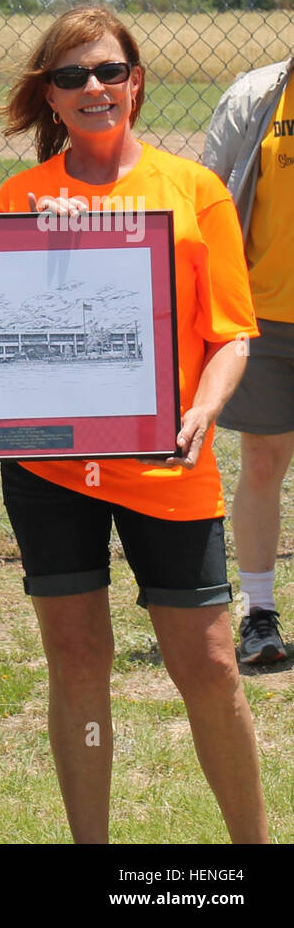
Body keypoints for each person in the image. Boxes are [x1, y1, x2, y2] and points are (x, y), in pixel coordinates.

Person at [0, 6, 267, 843]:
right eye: (72, 76)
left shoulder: (194, 190)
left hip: (167, 462)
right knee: (78, 666)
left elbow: (231, 334)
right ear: (50, 95)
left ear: (136, 82)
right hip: (51, 469)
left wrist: (205, 408)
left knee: (213, 667)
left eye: (109, 71)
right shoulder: (22, 198)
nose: (94, 88)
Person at [203, 57, 294, 665]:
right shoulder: (259, 95)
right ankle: (260, 615)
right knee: (262, 461)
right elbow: (209, 194)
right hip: (265, 315)